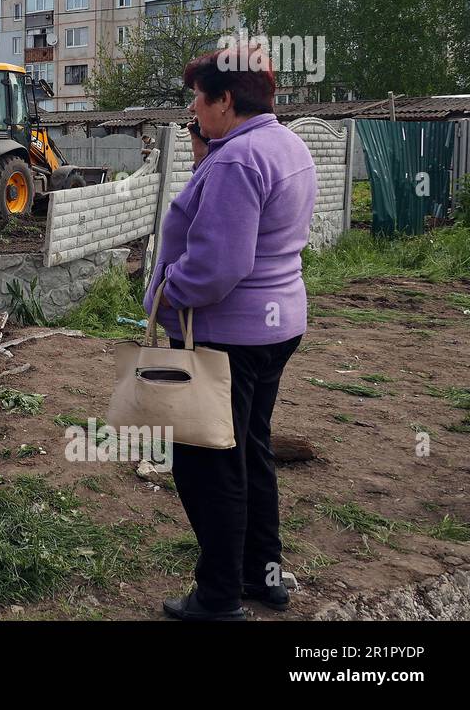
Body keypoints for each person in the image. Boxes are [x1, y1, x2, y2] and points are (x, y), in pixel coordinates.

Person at [146, 46, 317, 622]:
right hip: (275, 326)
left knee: (208, 463)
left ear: (225, 99)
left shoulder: (236, 160)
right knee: (250, 448)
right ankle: (261, 576)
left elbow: (219, 265)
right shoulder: (287, 145)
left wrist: (168, 290)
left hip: (226, 335)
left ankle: (218, 597)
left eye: (199, 98)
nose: (194, 111)